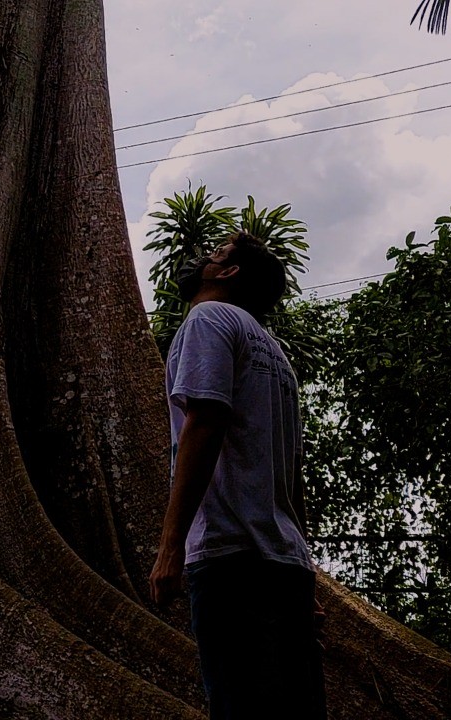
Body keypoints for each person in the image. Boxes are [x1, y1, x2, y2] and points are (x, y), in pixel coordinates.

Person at [148, 232, 326, 720]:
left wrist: (171, 548)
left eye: (216, 253)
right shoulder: (276, 354)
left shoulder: (208, 319)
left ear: (227, 274)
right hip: (286, 565)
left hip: (230, 557)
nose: (203, 256)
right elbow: (290, 474)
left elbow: (204, 423)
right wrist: (303, 567)